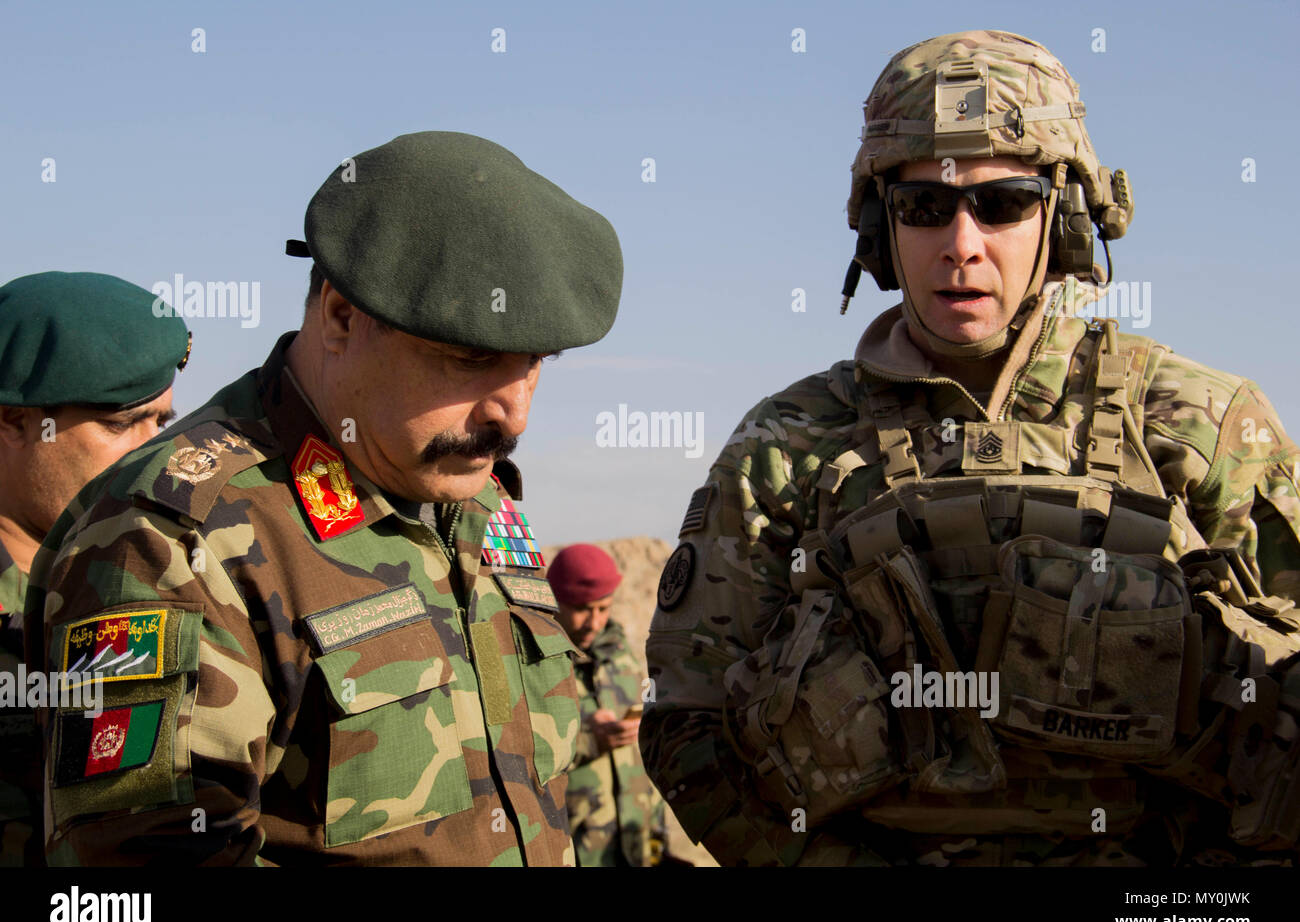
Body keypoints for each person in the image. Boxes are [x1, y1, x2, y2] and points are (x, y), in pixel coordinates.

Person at [641, 31, 1300, 866]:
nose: (961, 243)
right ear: (883, 226)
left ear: (1061, 214)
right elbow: (684, 724)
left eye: (1002, 203)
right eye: (924, 208)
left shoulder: (1198, 423)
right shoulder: (788, 446)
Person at [26, 131, 623, 865]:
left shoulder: (474, 501)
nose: (514, 415)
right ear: (340, 318)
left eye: (535, 365)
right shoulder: (171, 539)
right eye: (470, 361)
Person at [0, 271, 188, 866]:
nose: (152, 453)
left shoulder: (156, 569)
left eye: (160, 423)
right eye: (118, 424)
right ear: (12, 421)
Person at [549, 544, 669, 866]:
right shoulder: (538, 667)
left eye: (603, 608)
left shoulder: (622, 658)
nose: (594, 621)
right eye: (582, 608)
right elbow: (521, 757)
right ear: (554, 601)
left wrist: (660, 849)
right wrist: (588, 740)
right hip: (579, 852)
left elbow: (644, 766)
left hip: (641, 847)